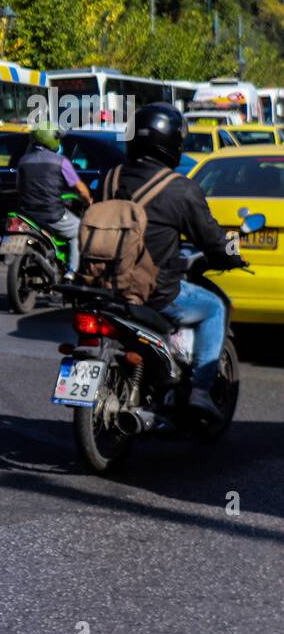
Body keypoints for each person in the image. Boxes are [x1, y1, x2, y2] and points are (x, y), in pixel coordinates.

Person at [107, 103, 245, 420]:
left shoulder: (111, 179)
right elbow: (212, 239)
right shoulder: (179, 189)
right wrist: (232, 254)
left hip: (105, 287)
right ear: (171, 143)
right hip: (155, 292)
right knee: (214, 307)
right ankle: (199, 391)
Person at [15, 120, 92, 276]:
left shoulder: (23, 161)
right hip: (52, 215)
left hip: (28, 215)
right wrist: (89, 201)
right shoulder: (61, 162)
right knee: (79, 229)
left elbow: (19, 188)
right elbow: (80, 189)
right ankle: (72, 271)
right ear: (53, 138)